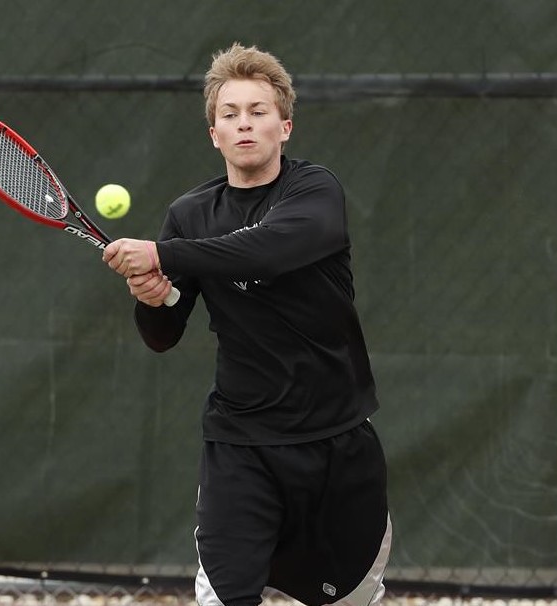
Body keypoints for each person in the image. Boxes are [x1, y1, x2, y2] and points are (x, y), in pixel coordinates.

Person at [102, 42, 392, 606]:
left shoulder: (316, 192)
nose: (244, 124)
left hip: (335, 440)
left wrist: (166, 255)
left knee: (351, 599)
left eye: (258, 112)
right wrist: (152, 296)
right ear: (214, 134)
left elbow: (268, 253)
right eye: (229, 114)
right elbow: (162, 334)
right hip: (240, 444)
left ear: (285, 126)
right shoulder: (189, 215)